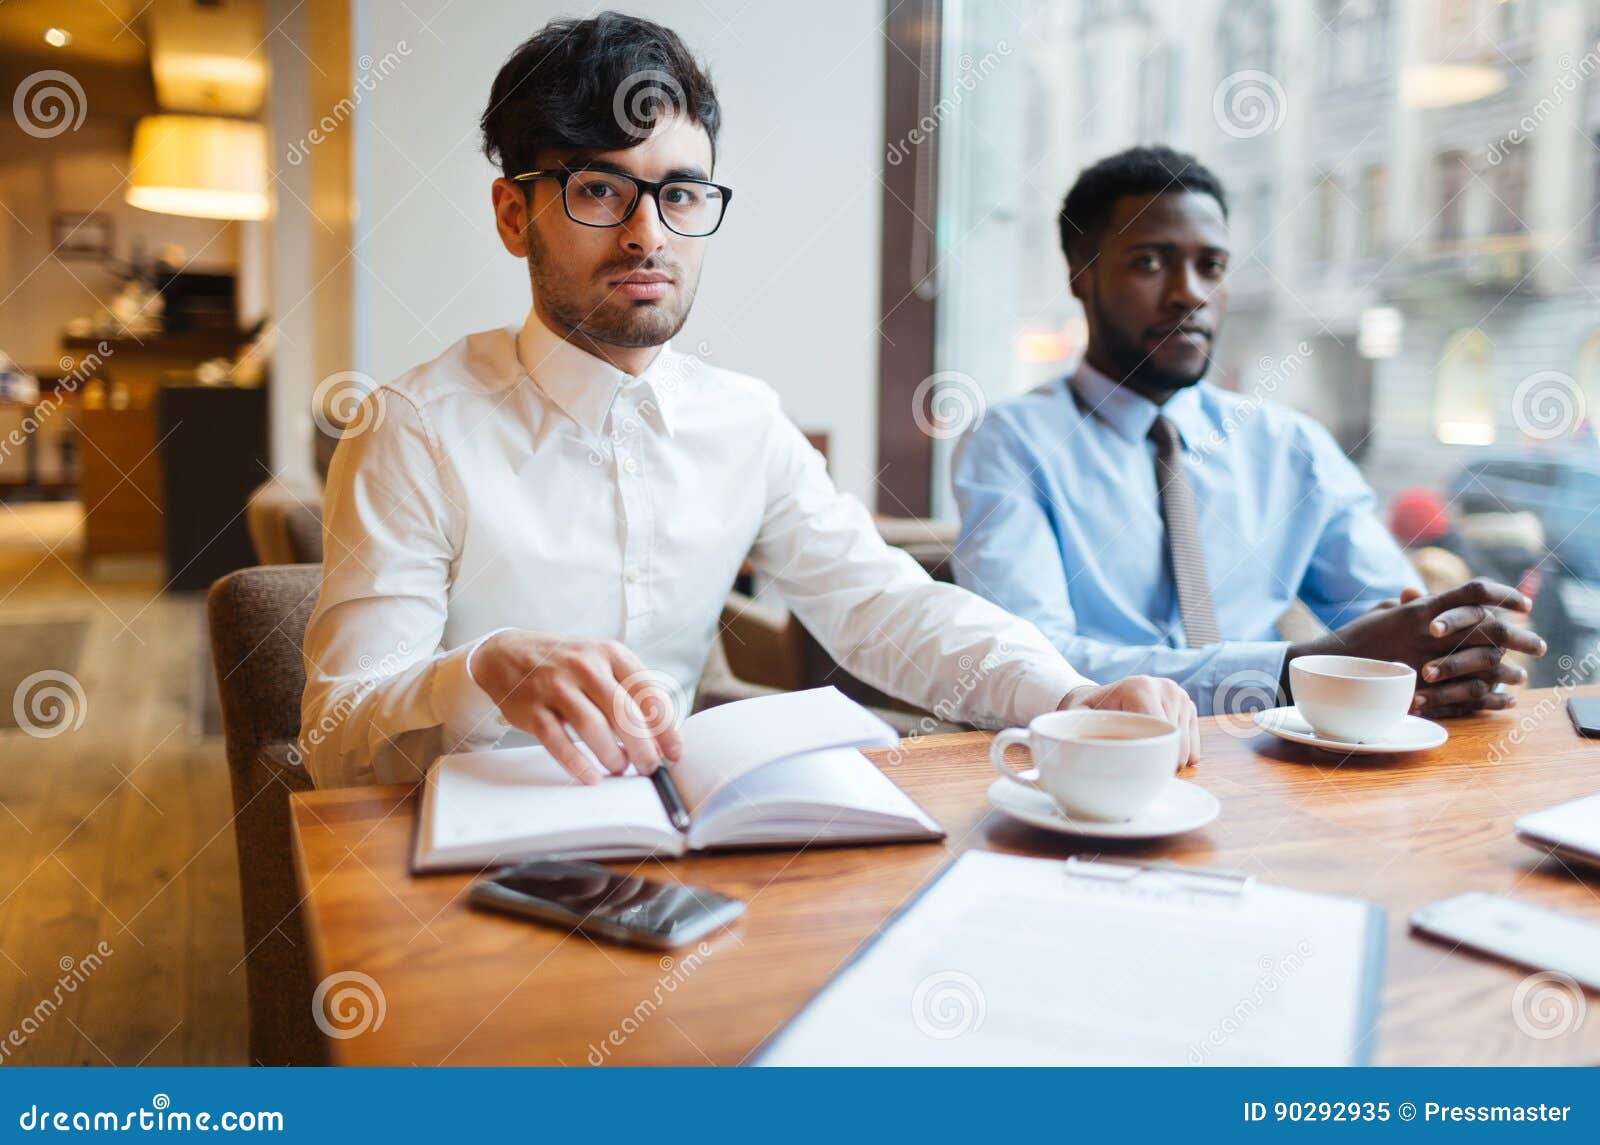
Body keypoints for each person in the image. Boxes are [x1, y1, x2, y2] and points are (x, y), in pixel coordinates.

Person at [299, 15, 1198, 789]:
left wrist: (1070, 695)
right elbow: (334, 738)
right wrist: (481, 671)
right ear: (511, 214)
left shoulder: (742, 421)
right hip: (457, 871)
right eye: (599, 189)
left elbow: (882, 604)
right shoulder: (411, 429)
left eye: (680, 193)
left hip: (678, 851)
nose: (648, 234)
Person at [952, 145, 1544, 717]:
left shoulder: (1290, 446)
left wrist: (1442, 652)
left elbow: (1388, 614)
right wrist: (1296, 668)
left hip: (1272, 771)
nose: (1190, 293)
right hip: (1091, 767)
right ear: (1082, 275)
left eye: (1211, 266)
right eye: (1150, 262)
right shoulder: (1011, 443)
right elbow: (1028, 665)